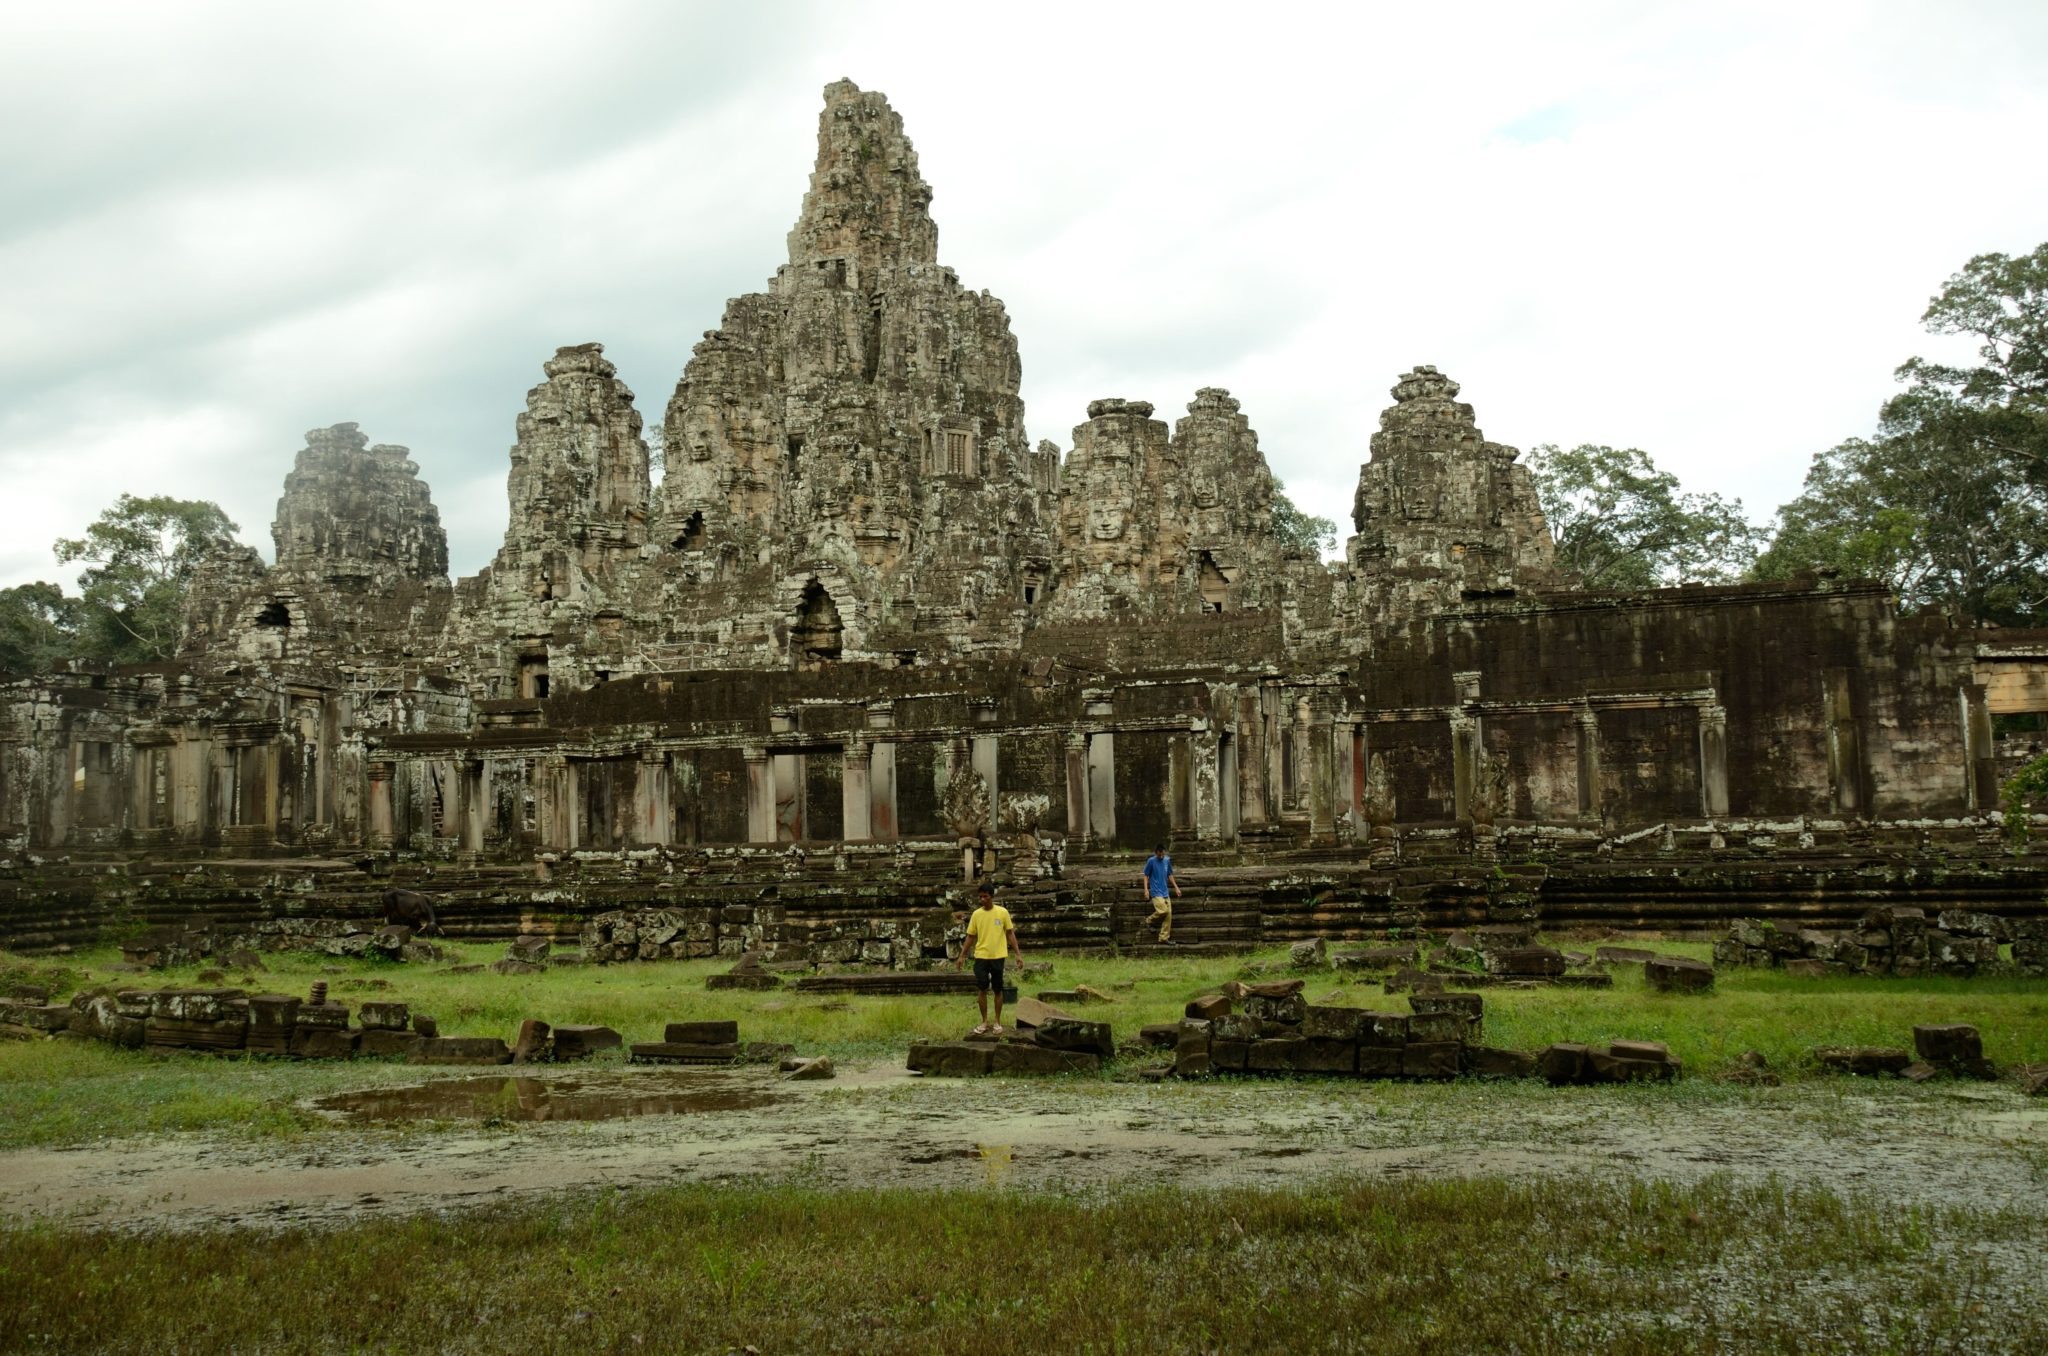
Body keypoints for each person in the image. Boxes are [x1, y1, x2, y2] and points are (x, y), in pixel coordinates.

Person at [956, 886, 1021, 1034]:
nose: (982, 900)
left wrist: (1017, 954)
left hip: (998, 956)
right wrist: (962, 956)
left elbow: (1010, 933)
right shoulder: (976, 915)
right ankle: (984, 1021)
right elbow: (970, 936)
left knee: (997, 989)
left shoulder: (1002, 912)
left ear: (992, 896)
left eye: (985, 897)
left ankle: (997, 1022)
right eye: (980, 897)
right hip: (981, 956)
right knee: (982, 987)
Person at [1141, 844, 1180, 943]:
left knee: (1169, 915)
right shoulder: (1151, 861)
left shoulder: (1167, 860)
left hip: (1165, 891)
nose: (1161, 856)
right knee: (1163, 911)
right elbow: (1146, 875)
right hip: (1156, 891)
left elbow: (1170, 874)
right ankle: (1149, 920)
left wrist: (1176, 887)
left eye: (1162, 854)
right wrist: (1146, 890)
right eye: (1159, 854)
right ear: (1156, 853)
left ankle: (1163, 937)